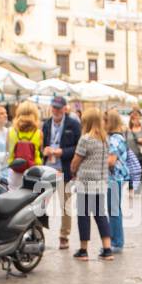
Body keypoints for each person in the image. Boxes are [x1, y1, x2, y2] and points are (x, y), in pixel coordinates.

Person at [69, 107, 114, 260]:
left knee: (83, 215)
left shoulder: (85, 139)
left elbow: (76, 161)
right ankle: (107, 249)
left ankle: (83, 251)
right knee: (101, 215)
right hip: (101, 183)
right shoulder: (104, 139)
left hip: (86, 183)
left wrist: (73, 170)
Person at [42, 95, 81, 249]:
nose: (56, 110)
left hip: (64, 169)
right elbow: (42, 144)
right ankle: (37, 233)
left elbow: (79, 148)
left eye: (58, 108)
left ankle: (64, 236)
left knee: (65, 205)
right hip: (47, 169)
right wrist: (44, 150)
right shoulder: (46, 124)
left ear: (65, 109)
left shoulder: (73, 124)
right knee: (41, 204)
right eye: (54, 107)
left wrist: (62, 152)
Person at [105, 109, 130, 251]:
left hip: (113, 178)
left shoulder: (114, 139)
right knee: (114, 210)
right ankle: (116, 240)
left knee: (114, 210)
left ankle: (117, 242)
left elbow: (111, 161)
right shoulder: (118, 137)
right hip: (116, 178)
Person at [6, 100, 43, 190]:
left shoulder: (11, 132)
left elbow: (7, 151)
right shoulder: (38, 133)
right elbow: (40, 153)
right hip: (33, 172)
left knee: (13, 198)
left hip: (15, 172)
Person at [126, 110, 142, 192]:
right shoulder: (127, 130)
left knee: (138, 174)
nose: (136, 120)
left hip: (140, 156)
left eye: (137, 119)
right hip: (130, 157)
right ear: (131, 120)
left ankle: (137, 191)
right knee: (129, 173)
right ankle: (130, 189)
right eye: (134, 119)